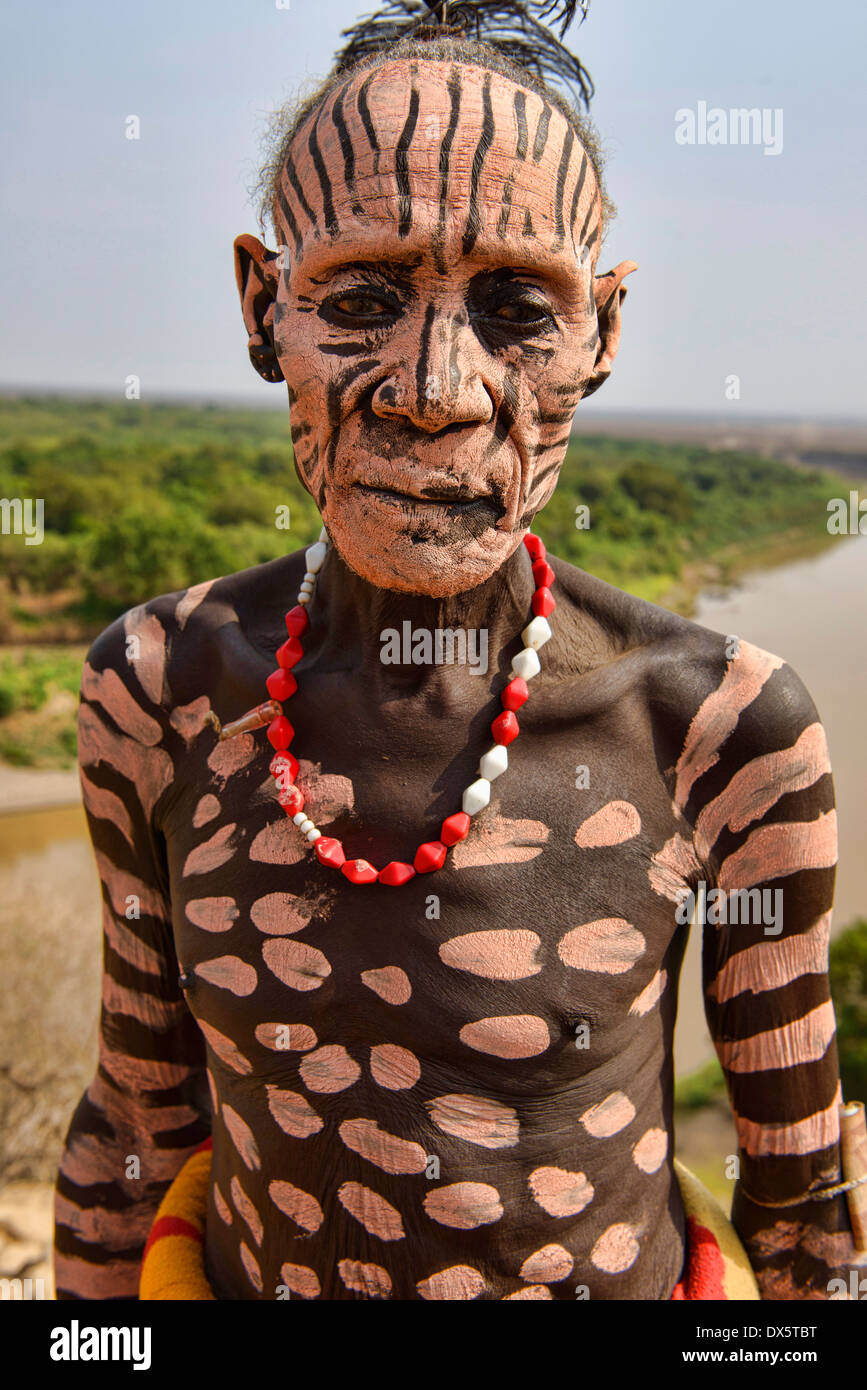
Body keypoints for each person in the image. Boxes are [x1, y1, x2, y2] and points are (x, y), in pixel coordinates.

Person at [54, 0, 865, 1300]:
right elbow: (139, 1119)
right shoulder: (158, 689)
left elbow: (803, 1199)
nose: (439, 390)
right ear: (265, 309)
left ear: (602, 336)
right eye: (362, 297)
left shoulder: (720, 729)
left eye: (519, 311)